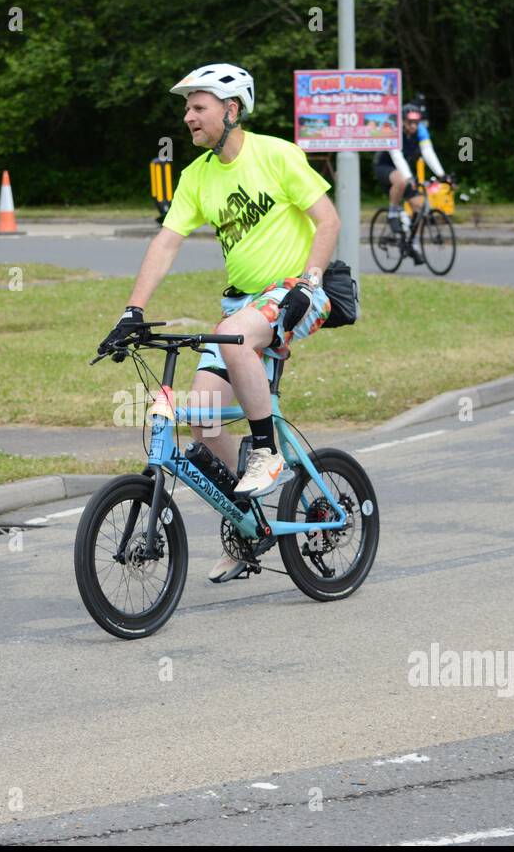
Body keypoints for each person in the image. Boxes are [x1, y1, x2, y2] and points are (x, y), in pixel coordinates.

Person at [98, 63, 341, 584]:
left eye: (198, 106)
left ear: (231, 111)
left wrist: (308, 282)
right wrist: (131, 310)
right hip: (241, 306)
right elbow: (166, 242)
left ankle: (268, 455)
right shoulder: (197, 176)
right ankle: (248, 521)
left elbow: (328, 220)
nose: (188, 117)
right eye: (187, 108)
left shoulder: (275, 154)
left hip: (296, 290)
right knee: (203, 419)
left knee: (235, 340)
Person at [372, 103, 450, 249]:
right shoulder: (393, 129)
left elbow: (428, 153)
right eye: (410, 122)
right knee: (401, 181)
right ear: (402, 121)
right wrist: (408, 177)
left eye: (416, 122)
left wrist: (441, 174)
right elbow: (397, 156)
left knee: (422, 207)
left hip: (403, 170)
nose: (413, 126)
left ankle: (412, 243)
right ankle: (393, 214)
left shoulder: (421, 131)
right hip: (384, 166)